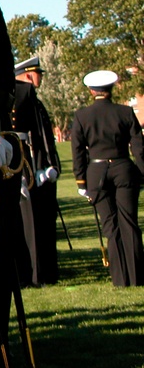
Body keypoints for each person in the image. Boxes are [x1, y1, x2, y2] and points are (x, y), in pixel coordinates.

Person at [70, 70, 144, 286]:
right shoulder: (125, 112)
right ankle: (137, 275)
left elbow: (78, 152)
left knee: (111, 226)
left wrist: (80, 180)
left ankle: (120, 278)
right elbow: (138, 148)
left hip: (96, 172)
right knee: (129, 222)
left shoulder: (82, 116)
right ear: (111, 89)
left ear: (91, 91)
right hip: (123, 167)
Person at [13, 56, 61, 285]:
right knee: (29, 219)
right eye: (38, 73)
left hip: (31, 160)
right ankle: (33, 272)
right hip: (21, 159)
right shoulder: (23, 95)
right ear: (29, 75)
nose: (40, 77)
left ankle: (41, 270)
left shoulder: (32, 99)